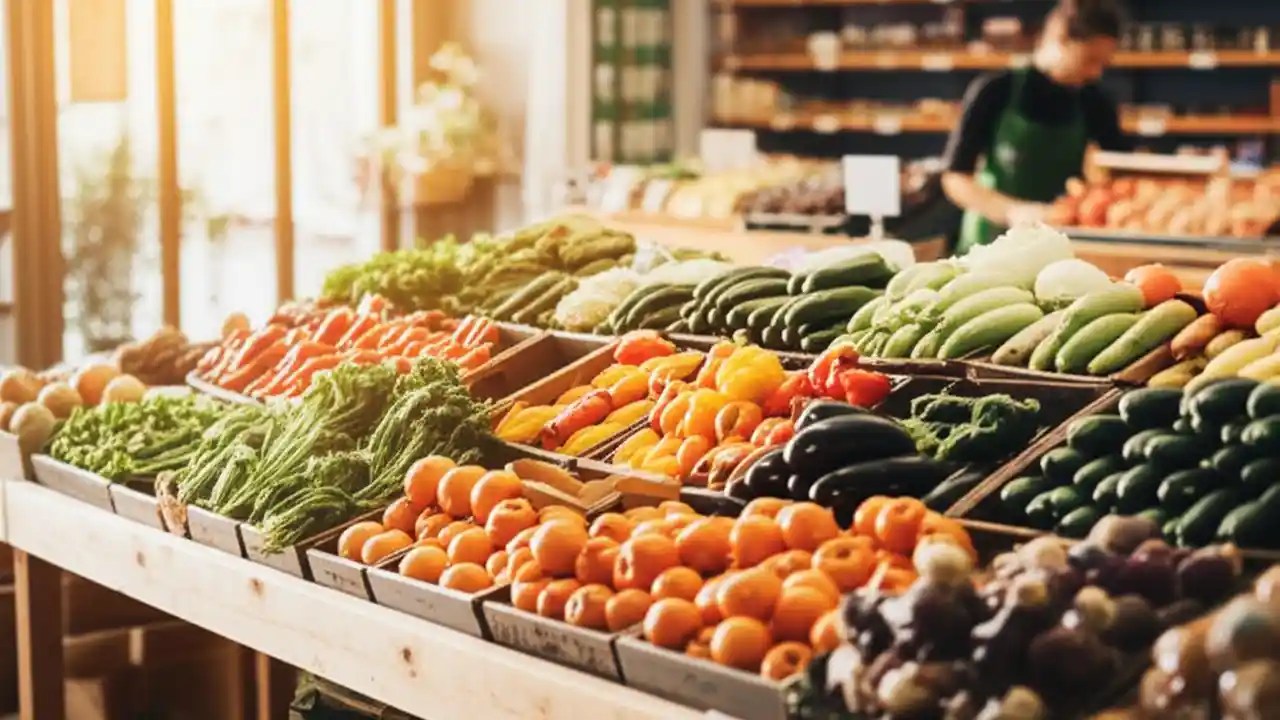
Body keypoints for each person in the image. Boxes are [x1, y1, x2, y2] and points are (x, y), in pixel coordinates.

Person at [942, 0, 1130, 254]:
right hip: (991, 242)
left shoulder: (1095, 101)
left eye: (1103, 63)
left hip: (1056, 241)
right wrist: (1013, 211)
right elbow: (955, 179)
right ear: (1060, 37)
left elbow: (1120, 173)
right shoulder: (995, 90)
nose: (1096, 72)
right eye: (1089, 59)